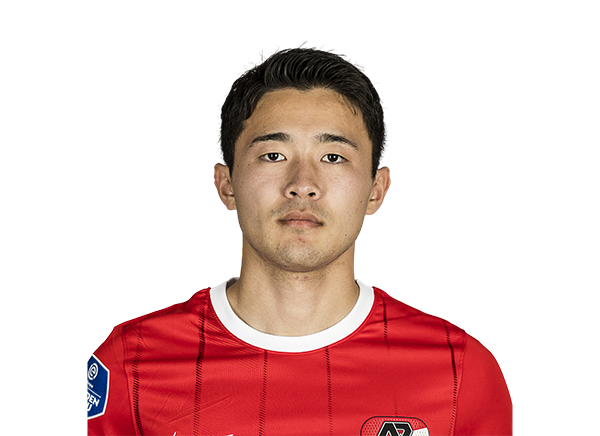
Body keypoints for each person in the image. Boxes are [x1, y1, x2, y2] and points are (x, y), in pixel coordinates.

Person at [87, 47, 512, 436]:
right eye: (273, 155)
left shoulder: (460, 374)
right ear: (226, 185)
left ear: (376, 190)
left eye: (333, 157)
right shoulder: (129, 366)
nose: (303, 184)